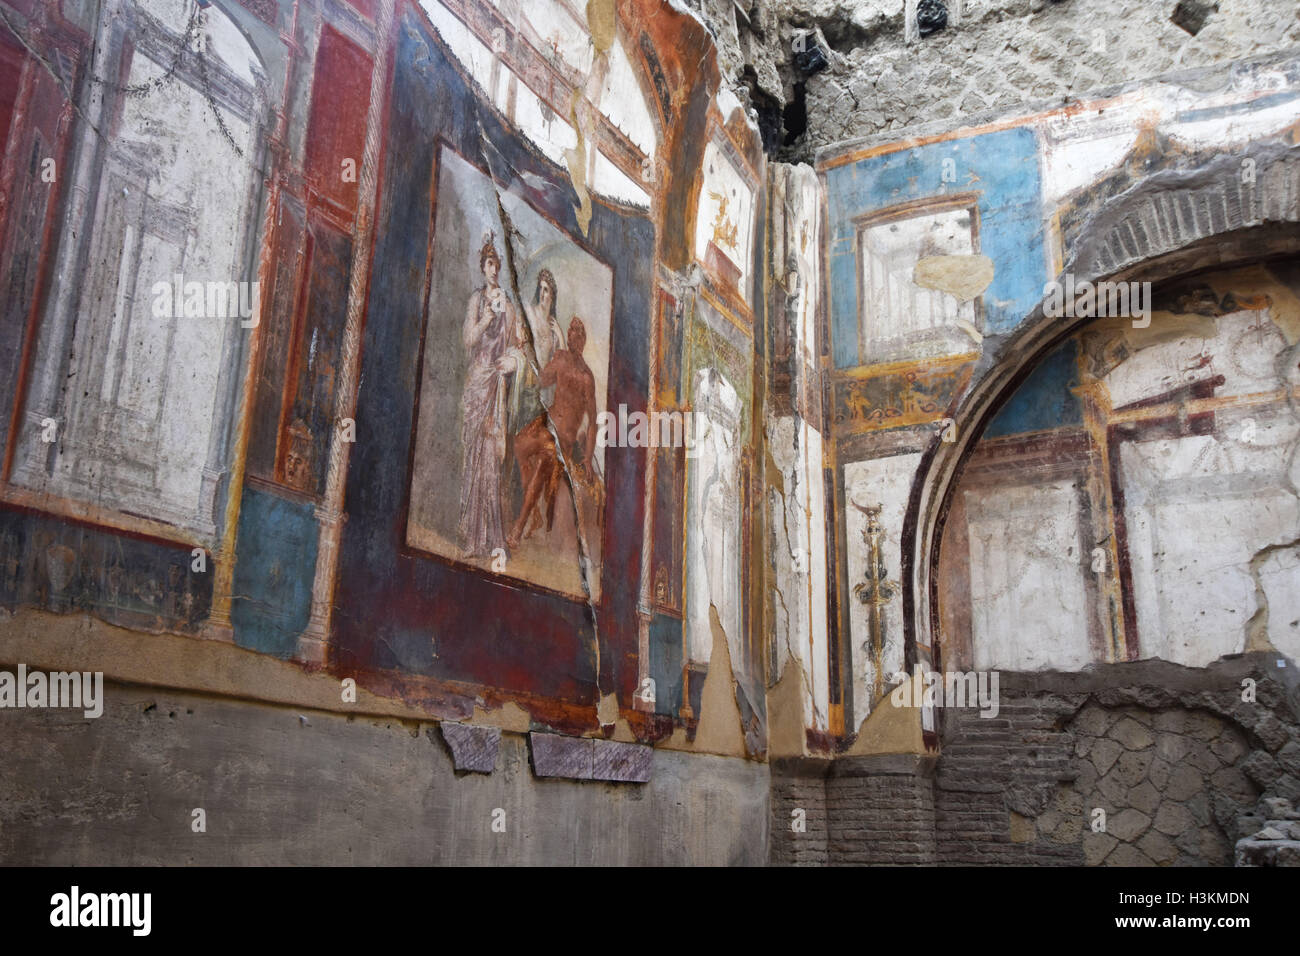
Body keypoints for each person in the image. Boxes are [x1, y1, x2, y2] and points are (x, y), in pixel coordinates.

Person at [506, 315, 600, 549]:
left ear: (583, 341)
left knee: (546, 460)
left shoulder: (587, 378)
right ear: (568, 338)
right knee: (517, 446)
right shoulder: (560, 358)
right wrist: (529, 352)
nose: (574, 337)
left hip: (563, 440)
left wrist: (588, 458)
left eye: (579, 334)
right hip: (546, 425)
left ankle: (519, 525)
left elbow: (594, 422)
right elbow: (542, 381)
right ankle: (534, 507)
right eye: (571, 333)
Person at [458, 233, 522, 558]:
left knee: (491, 462)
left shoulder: (509, 307)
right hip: (477, 384)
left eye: (496, 264)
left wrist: (511, 361)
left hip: (495, 384)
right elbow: (468, 339)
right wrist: (487, 317)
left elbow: (518, 347)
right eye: (488, 264)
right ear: (482, 268)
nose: (493, 269)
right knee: (473, 457)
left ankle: (491, 538)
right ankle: (472, 537)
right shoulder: (476, 301)